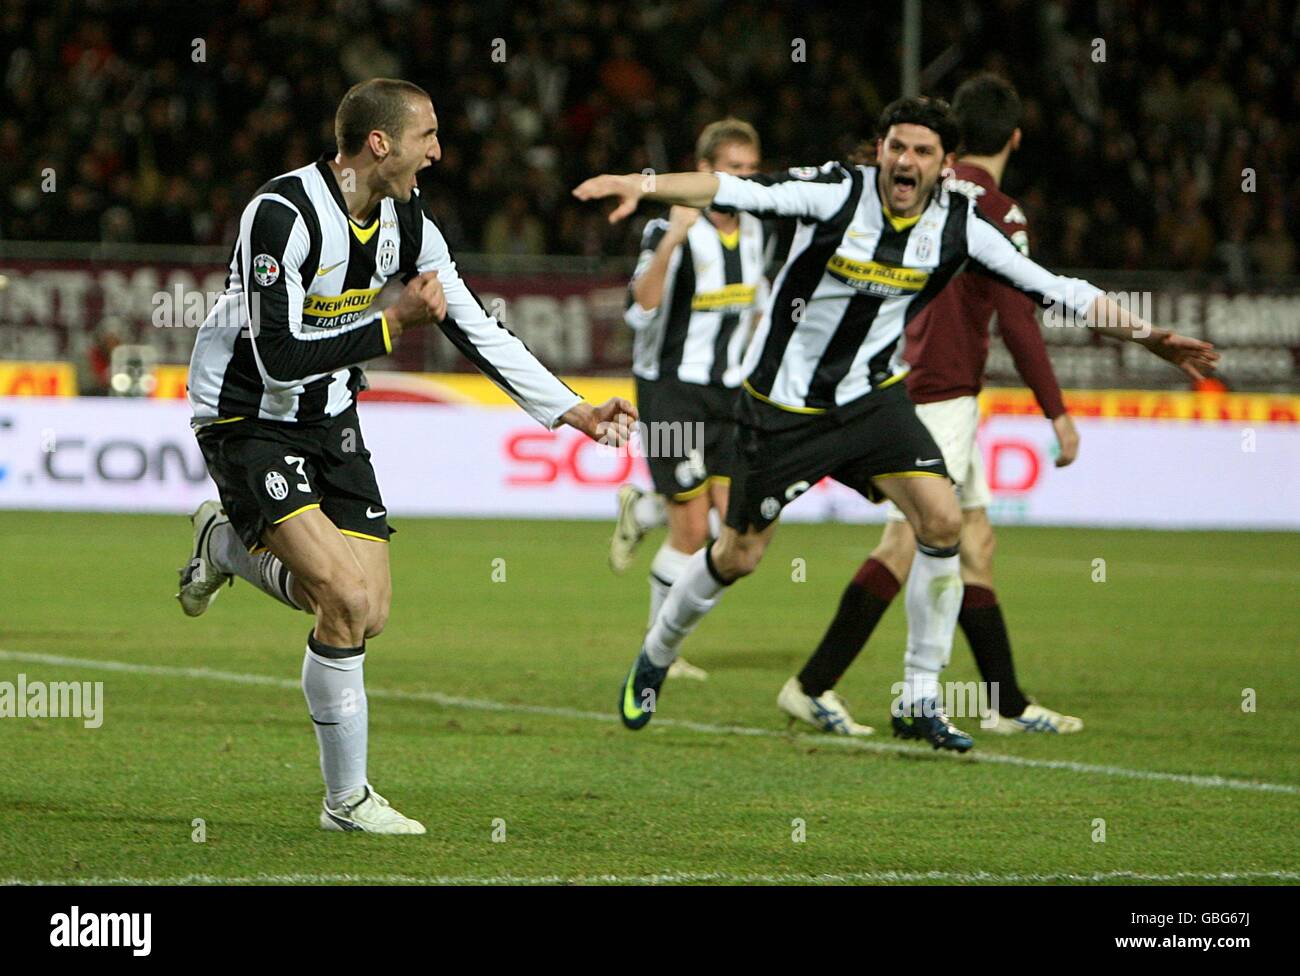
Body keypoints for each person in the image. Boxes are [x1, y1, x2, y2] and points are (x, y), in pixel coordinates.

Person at [574, 95, 1216, 751]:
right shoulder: (834, 193)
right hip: (782, 410)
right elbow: (727, 185)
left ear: (945, 165)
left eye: (922, 151)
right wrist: (643, 185)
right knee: (738, 555)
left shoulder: (960, 226)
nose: (906, 161)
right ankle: (656, 653)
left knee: (941, 521)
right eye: (897, 147)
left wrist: (1147, 336)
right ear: (880, 150)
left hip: (870, 401)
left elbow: (1054, 288)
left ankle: (919, 698)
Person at [178, 78, 634, 833]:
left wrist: (573, 409)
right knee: (344, 599)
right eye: (428, 136)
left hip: (331, 417)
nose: (439, 152)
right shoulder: (281, 214)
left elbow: (474, 325)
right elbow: (282, 355)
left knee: (369, 611)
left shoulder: (408, 221)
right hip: (247, 414)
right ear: (380, 144)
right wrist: (391, 325)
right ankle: (346, 802)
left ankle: (224, 543)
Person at [783, 73, 1084, 737]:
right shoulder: (997, 210)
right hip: (939, 393)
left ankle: (1005, 701)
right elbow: (1019, 318)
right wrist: (1056, 410)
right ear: (1013, 136)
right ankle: (816, 684)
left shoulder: (929, 191)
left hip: (911, 380)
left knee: (975, 542)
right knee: (908, 540)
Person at [608, 118, 768, 682]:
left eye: (751, 170)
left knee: (741, 537)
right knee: (693, 530)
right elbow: (640, 308)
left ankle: (645, 506)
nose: (744, 181)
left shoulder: (754, 230)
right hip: (672, 391)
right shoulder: (665, 231)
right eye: (733, 169)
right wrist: (675, 235)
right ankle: (661, 651)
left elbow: (758, 308)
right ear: (703, 172)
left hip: (729, 394)